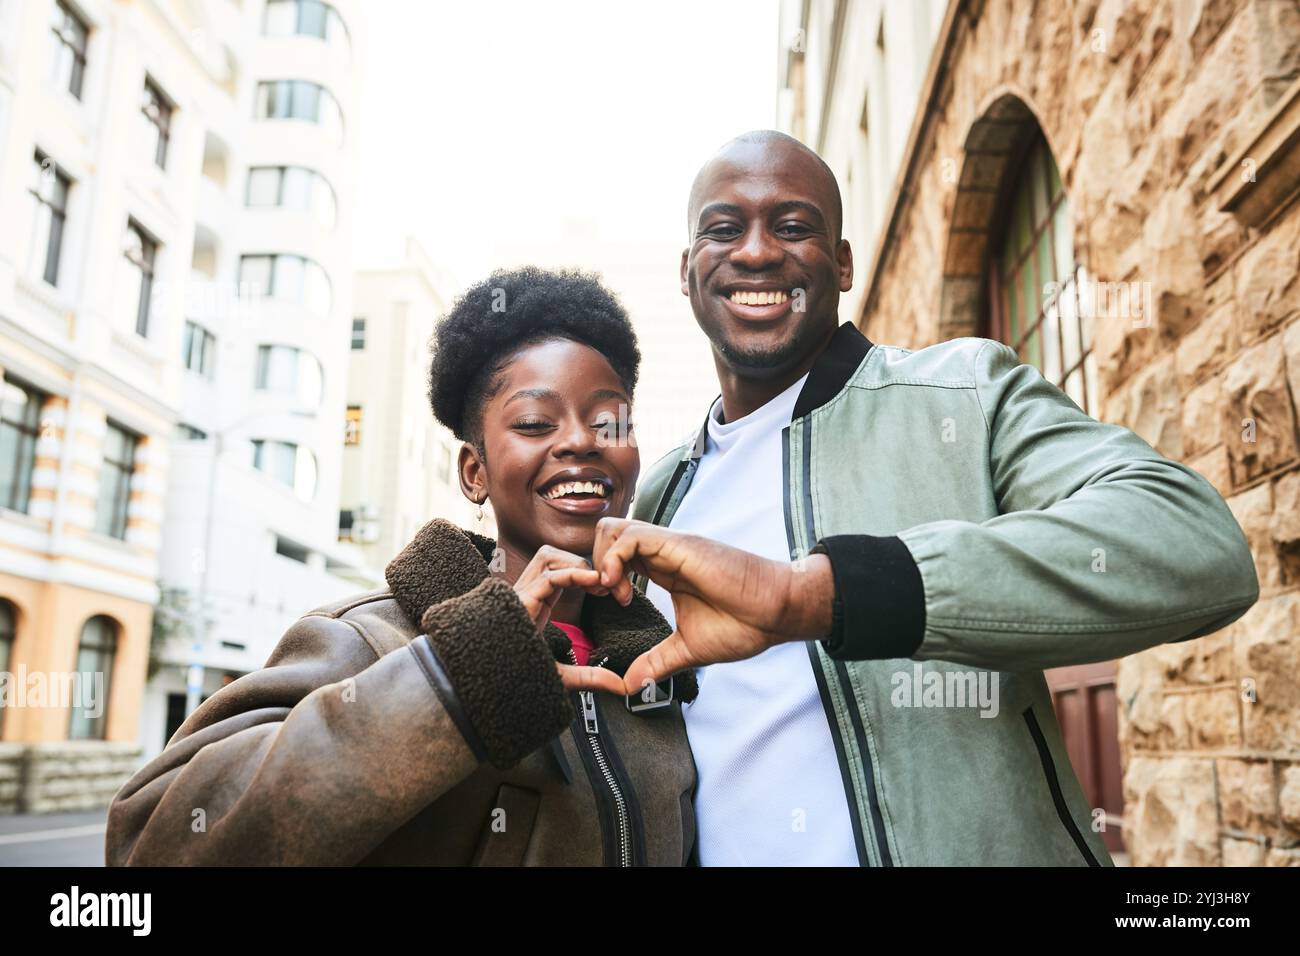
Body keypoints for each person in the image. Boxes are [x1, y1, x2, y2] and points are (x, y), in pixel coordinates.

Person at [592, 130, 1260, 867]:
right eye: (724, 229)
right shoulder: (659, 498)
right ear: (688, 272)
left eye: (792, 226)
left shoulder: (964, 392)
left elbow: (1198, 543)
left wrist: (821, 595)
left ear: (843, 263)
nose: (755, 252)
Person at [105, 266, 699, 866]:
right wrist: (465, 676)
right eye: (534, 424)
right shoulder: (366, 638)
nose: (582, 441)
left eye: (609, 422)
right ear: (474, 472)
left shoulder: (661, 671)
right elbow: (149, 843)